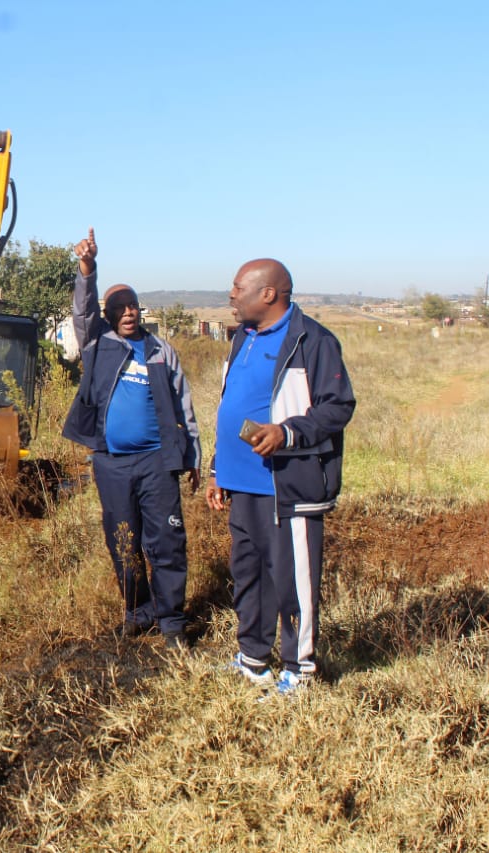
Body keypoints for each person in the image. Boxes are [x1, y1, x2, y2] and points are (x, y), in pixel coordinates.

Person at [205, 258, 356, 697]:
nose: (231, 296)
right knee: (248, 576)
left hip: (286, 485)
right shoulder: (242, 339)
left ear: (268, 294)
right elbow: (231, 405)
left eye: (238, 288)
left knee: (293, 581)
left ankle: (300, 669)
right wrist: (219, 470)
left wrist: (287, 433)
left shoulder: (313, 341)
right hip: (243, 485)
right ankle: (253, 659)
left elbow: (337, 407)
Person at [62, 227, 203, 649]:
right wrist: (88, 268)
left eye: (133, 306)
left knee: (166, 539)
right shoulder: (98, 346)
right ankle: (138, 612)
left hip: (158, 462)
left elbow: (184, 404)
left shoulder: (161, 350)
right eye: (119, 307)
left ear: (141, 311)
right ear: (108, 315)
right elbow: (82, 312)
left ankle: (172, 621)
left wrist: (193, 453)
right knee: (123, 540)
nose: (127, 313)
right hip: (112, 464)